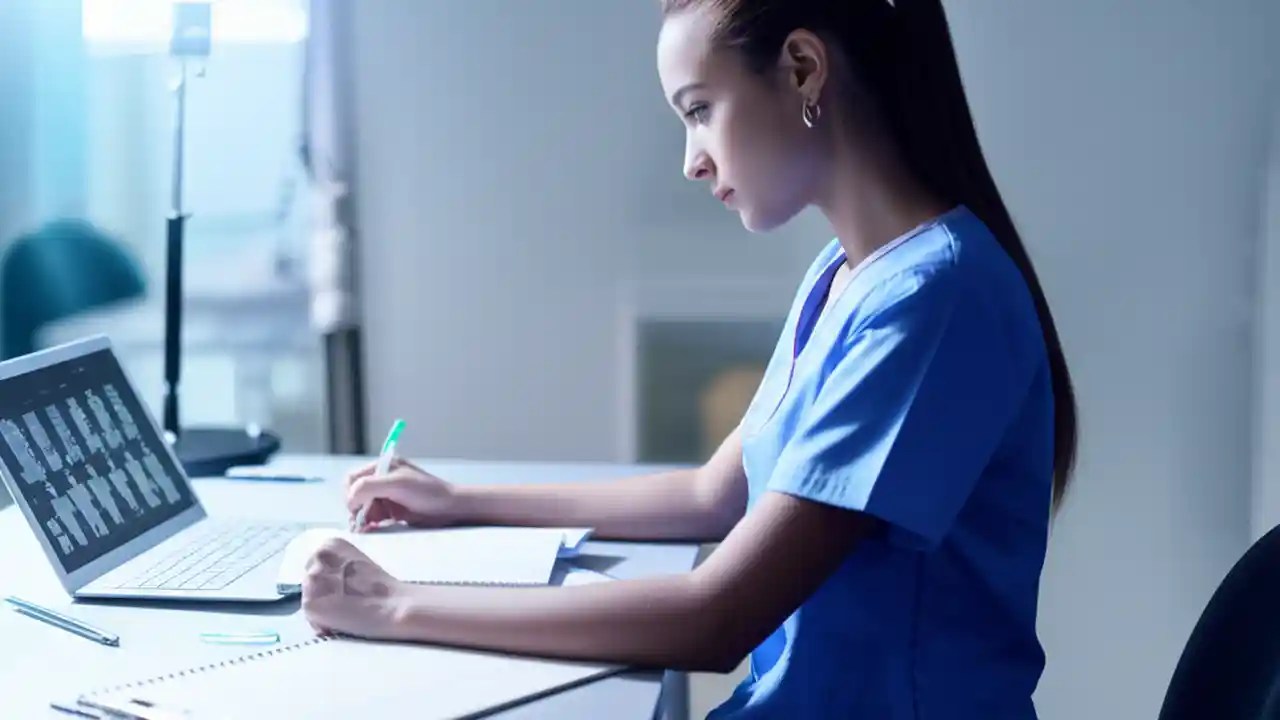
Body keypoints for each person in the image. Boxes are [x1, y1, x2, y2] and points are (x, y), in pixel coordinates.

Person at [300, 1, 1079, 717]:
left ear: (803, 69)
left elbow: (716, 617)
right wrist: (462, 501)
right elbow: (715, 493)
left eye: (700, 111)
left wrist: (393, 606)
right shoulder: (843, 278)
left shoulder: (935, 300)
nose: (692, 161)